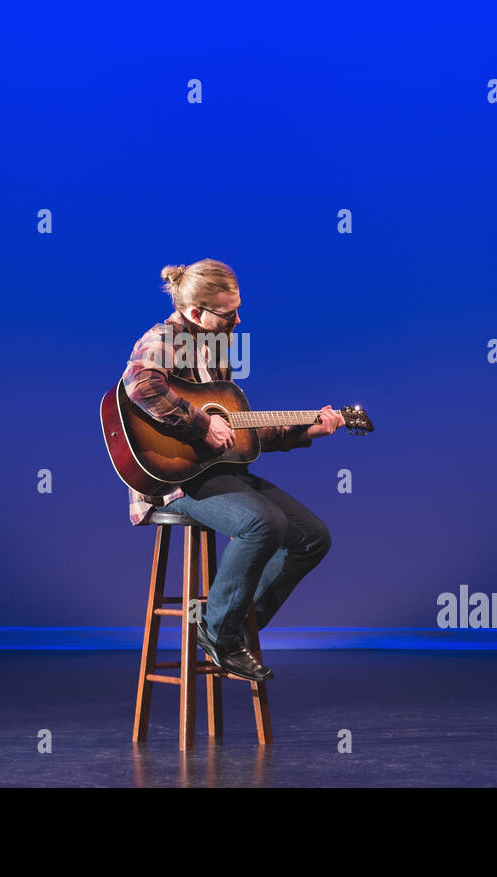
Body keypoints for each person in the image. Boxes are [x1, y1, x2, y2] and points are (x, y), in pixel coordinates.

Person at [121, 258, 343, 681]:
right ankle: (220, 633)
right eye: (228, 313)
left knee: (313, 538)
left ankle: (232, 625)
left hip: (218, 472)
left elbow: (239, 433)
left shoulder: (216, 348)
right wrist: (202, 424)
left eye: (239, 308)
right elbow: (142, 385)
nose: (238, 320)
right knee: (263, 524)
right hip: (175, 479)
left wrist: (310, 429)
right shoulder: (164, 338)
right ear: (195, 312)